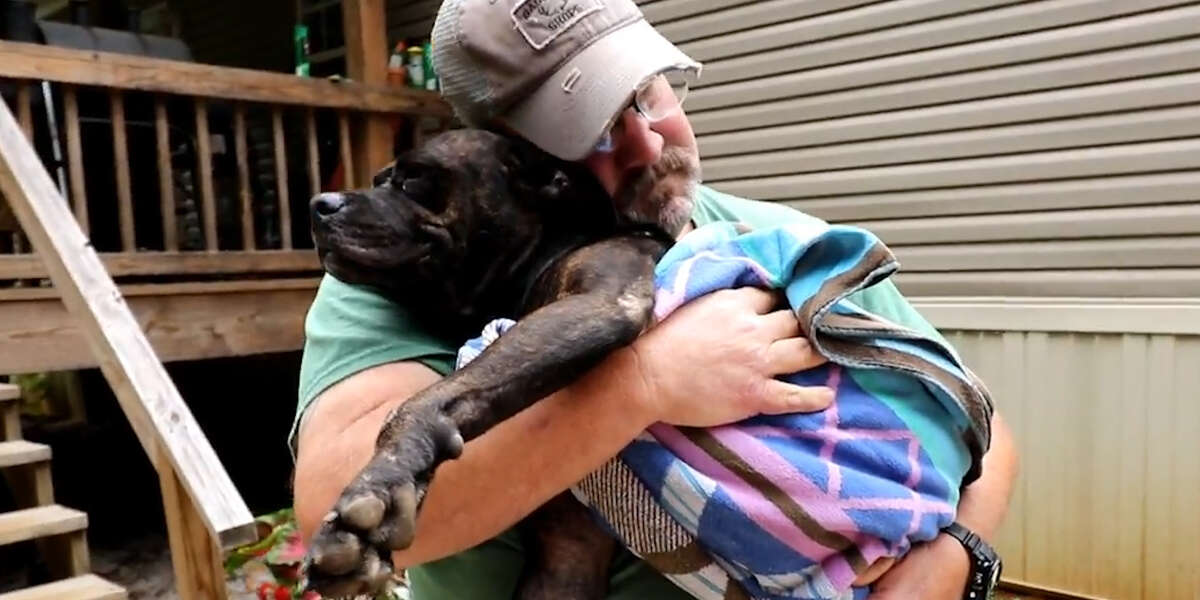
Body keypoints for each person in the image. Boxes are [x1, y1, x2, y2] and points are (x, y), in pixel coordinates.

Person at [291, 0, 1019, 598]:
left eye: (650, 93)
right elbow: (334, 505)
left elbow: (982, 428)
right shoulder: (410, 268)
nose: (646, 142)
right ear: (512, 157)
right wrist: (649, 382)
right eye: (594, 127)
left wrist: (954, 558)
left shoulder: (781, 244)